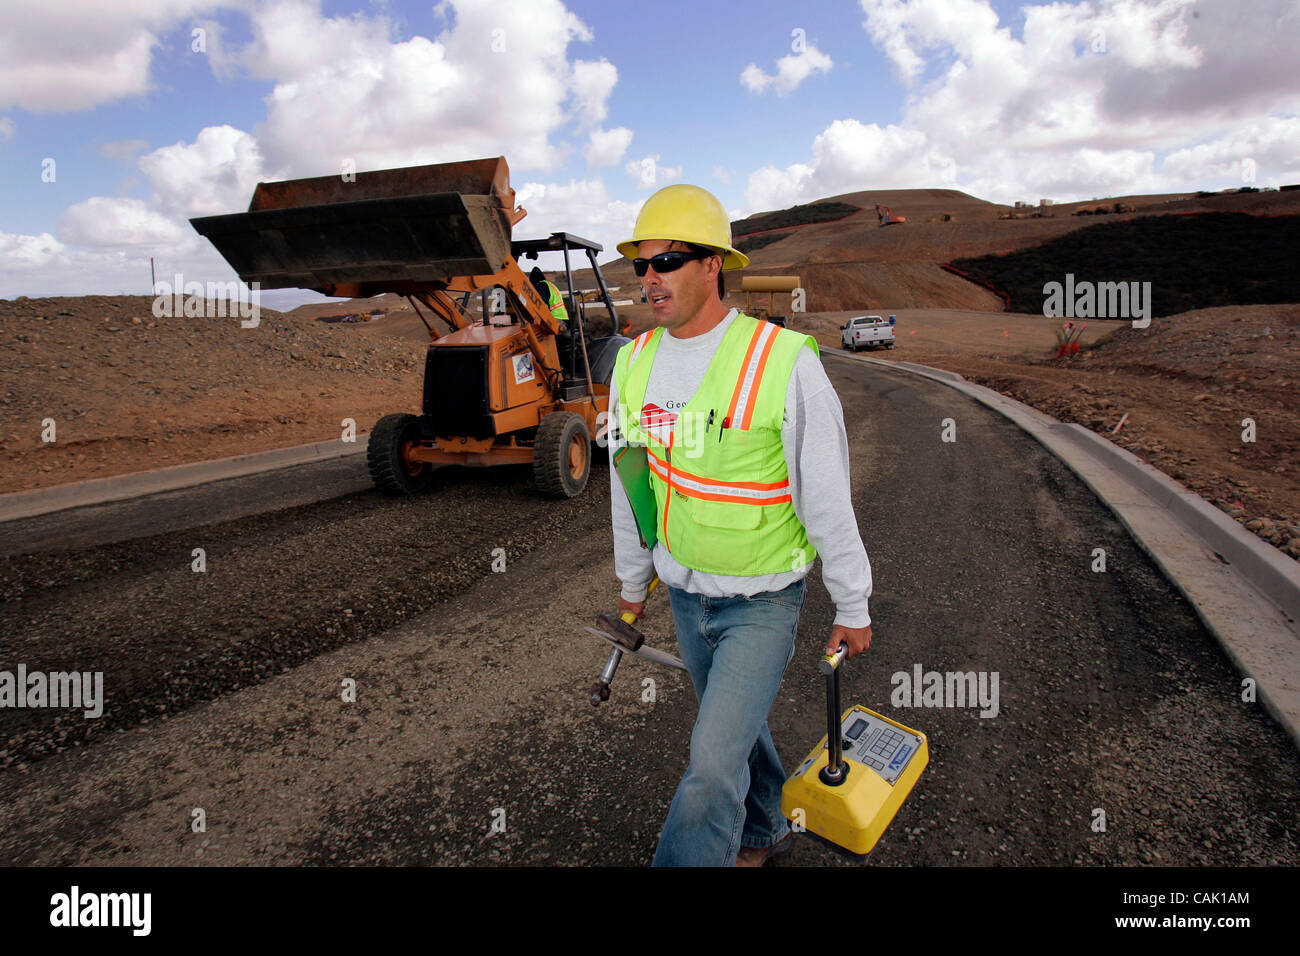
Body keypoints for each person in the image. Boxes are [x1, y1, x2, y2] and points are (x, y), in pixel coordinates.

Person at [607, 184, 874, 867]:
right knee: (735, 735)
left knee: (708, 767)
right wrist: (633, 584)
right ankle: (764, 831)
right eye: (641, 263)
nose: (650, 278)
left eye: (667, 261)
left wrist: (852, 600)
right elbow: (632, 484)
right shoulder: (632, 365)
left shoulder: (783, 364)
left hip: (762, 603)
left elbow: (826, 494)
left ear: (711, 266)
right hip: (687, 598)